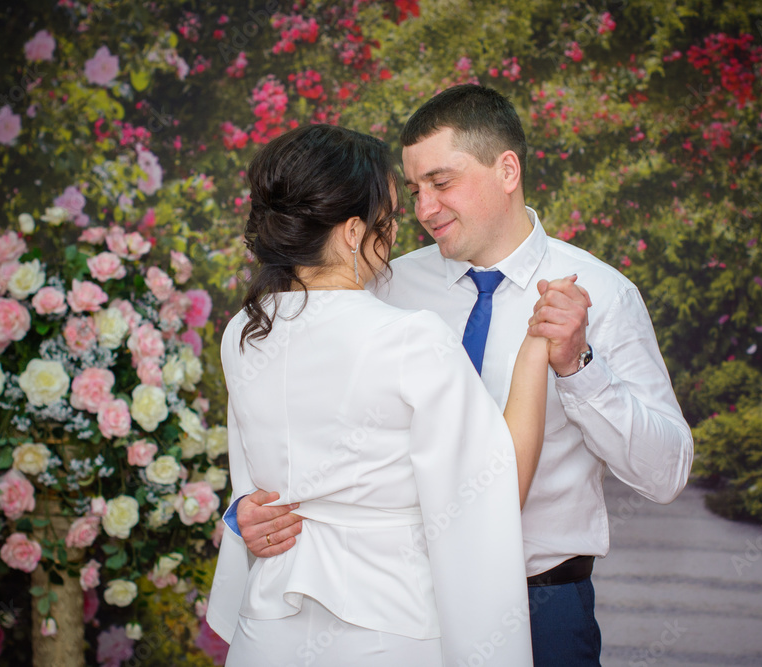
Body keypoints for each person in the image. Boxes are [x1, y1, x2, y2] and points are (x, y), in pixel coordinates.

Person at [231, 84, 695, 666]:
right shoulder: (381, 284)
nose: (424, 210)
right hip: (396, 607)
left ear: (507, 170)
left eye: (442, 183)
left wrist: (579, 368)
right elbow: (301, 416)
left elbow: (666, 473)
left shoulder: (602, 293)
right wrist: (248, 508)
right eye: (413, 190)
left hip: (541, 604)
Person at [206, 123, 553, 666]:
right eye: (387, 220)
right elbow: (492, 489)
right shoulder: (410, 338)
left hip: (269, 624)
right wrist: (536, 348)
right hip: (389, 625)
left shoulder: (244, 332)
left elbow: (255, 483)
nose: (394, 237)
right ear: (352, 232)